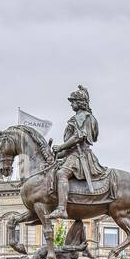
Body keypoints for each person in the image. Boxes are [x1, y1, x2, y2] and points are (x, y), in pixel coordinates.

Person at [49, 85, 106, 221]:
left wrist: (61, 147)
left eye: (73, 101)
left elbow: (79, 137)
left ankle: (62, 208)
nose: (71, 105)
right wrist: (57, 154)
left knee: (61, 173)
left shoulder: (82, 116)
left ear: (80, 103)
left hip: (80, 156)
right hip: (74, 154)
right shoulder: (86, 117)